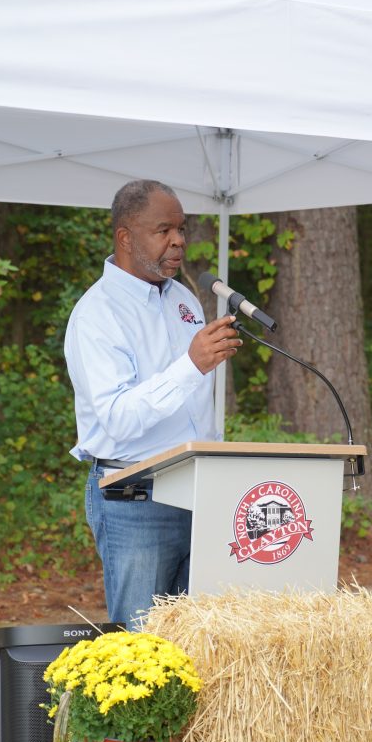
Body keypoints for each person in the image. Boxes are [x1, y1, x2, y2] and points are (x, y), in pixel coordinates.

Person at [64, 179, 241, 627]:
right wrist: (191, 365)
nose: (179, 240)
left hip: (202, 490)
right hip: (136, 496)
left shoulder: (183, 299)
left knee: (201, 639)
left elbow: (197, 404)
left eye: (181, 230)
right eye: (164, 230)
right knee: (142, 644)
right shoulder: (96, 315)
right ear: (125, 237)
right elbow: (119, 418)